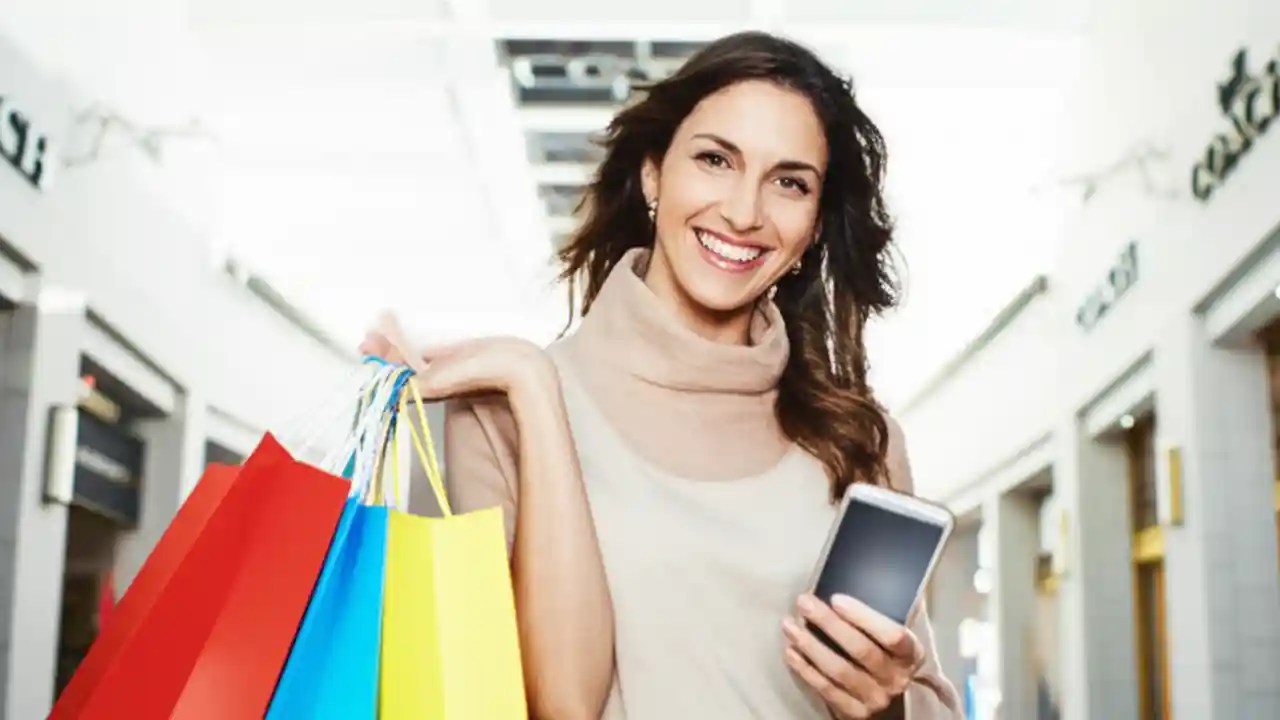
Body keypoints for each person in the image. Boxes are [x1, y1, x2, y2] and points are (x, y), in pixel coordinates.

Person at [362, 30, 962, 720]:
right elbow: (554, 705)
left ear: (816, 227)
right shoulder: (500, 414)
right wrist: (533, 383)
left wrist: (882, 704)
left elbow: (922, 696)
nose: (743, 212)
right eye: (715, 160)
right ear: (653, 173)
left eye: (789, 182)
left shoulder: (860, 438)